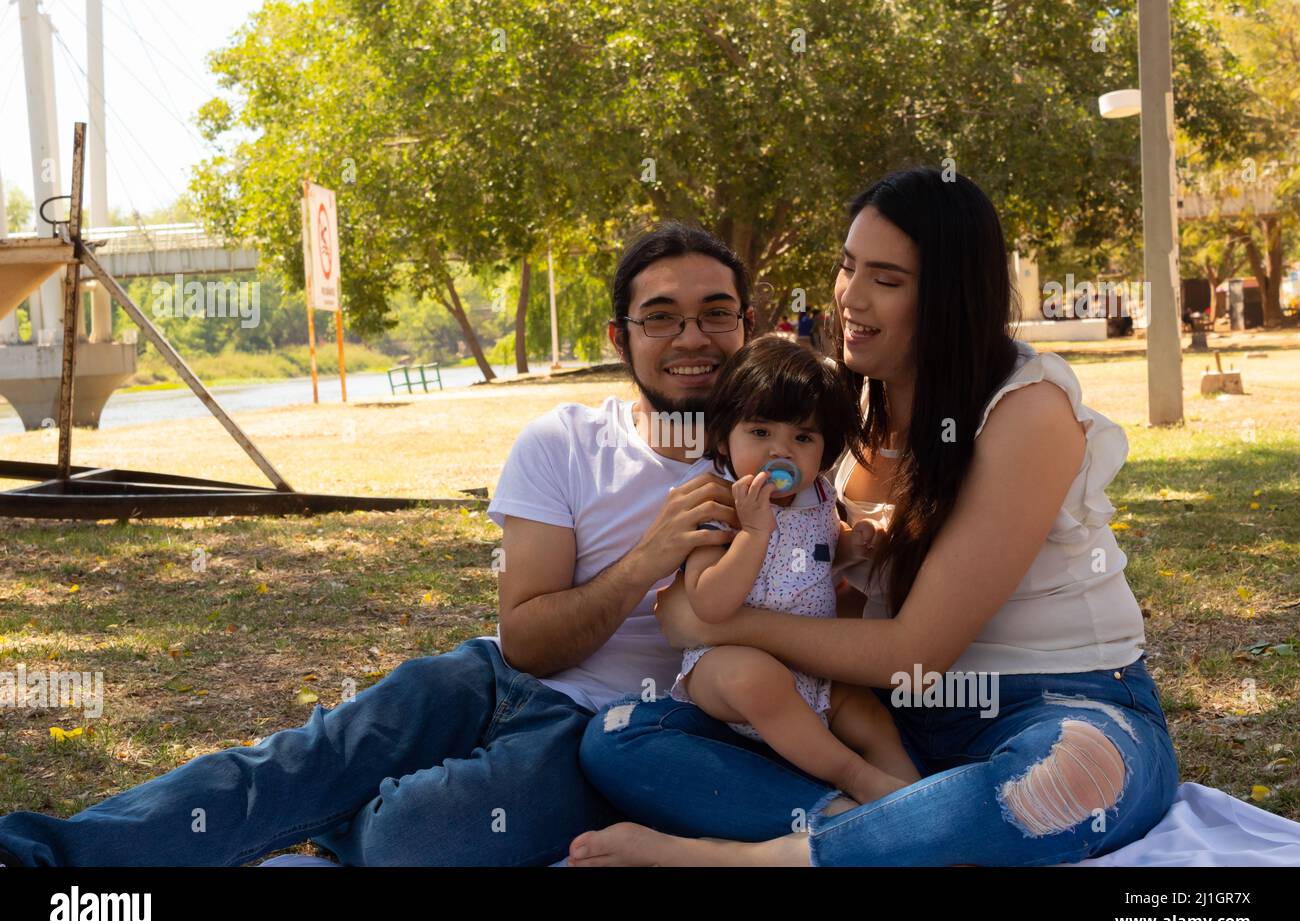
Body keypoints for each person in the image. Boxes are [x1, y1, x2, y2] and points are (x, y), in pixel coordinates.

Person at [0, 222, 753, 867]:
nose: (692, 339)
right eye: (662, 317)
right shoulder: (565, 439)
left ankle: (333, 839)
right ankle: (42, 856)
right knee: (297, 762)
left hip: (617, 732)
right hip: (489, 678)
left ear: (749, 325)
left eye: (715, 314)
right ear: (620, 337)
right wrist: (647, 559)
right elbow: (526, 642)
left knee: (415, 840)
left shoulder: (788, 462)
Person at [569, 167, 1180, 866]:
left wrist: (716, 621)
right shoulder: (840, 412)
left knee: (1062, 786)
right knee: (621, 735)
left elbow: (915, 654)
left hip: (1053, 706)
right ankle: (879, 824)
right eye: (847, 267)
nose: (850, 298)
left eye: (887, 280)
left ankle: (750, 859)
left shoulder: (1027, 409)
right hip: (882, 720)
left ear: (949, 297)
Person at [669, 335, 918, 806]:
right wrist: (753, 533)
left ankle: (917, 798)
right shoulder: (720, 504)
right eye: (760, 433)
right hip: (725, 668)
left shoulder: (819, 498)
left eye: (802, 438)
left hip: (810, 666)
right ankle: (856, 778)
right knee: (757, 680)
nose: (780, 452)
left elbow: (820, 560)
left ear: (824, 453)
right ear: (725, 436)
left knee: (868, 712)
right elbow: (708, 603)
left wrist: (850, 545)